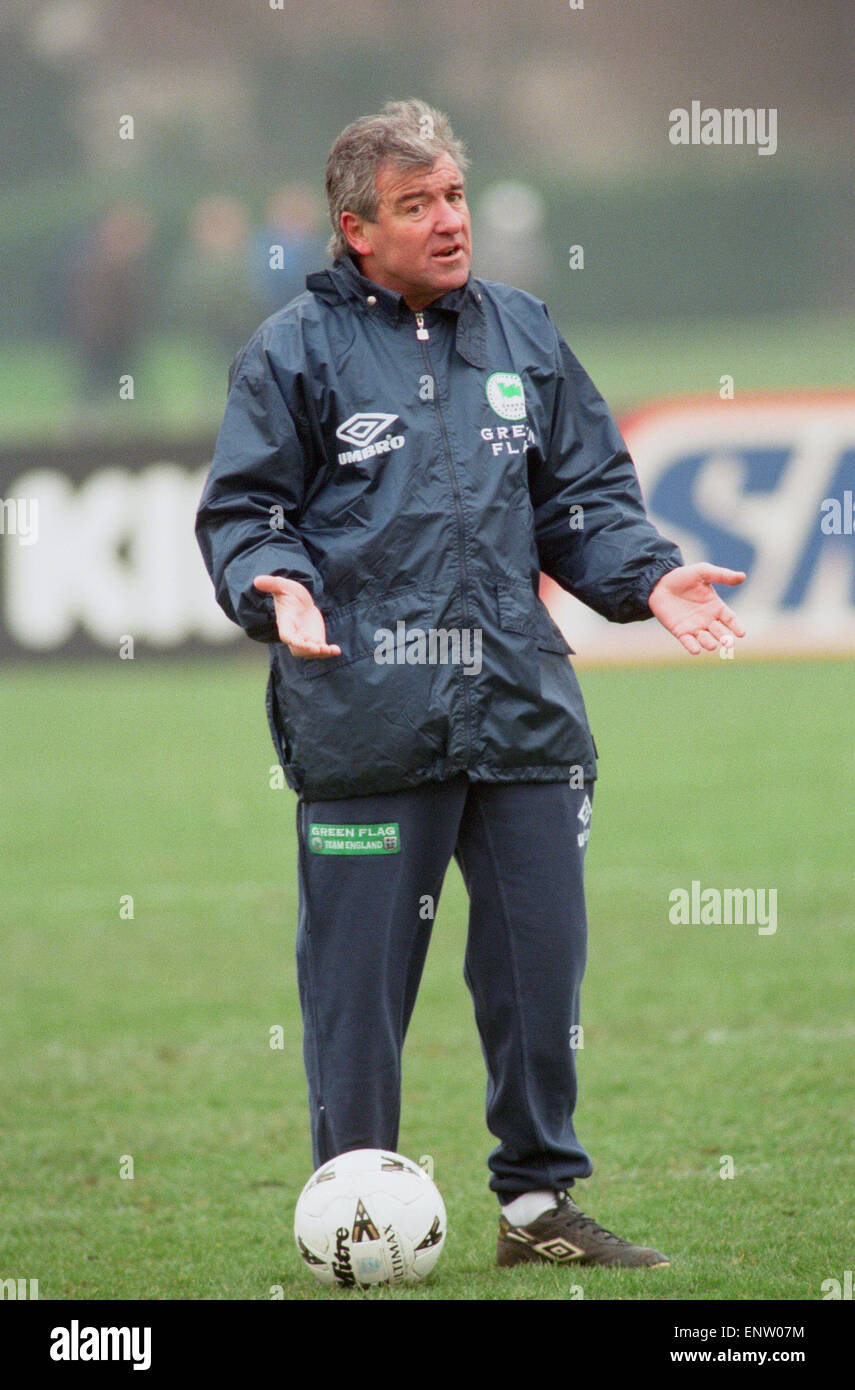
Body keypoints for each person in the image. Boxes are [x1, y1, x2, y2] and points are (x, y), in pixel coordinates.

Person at [195, 99, 745, 1274]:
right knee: (355, 999)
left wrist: (647, 578)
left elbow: (582, 499)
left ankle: (540, 1206)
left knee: (542, 974)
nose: (450, 223)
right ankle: (357, 1215)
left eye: (454, 197)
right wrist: (277, 589)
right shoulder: (292, 352)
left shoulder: (525, 333)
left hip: (523, 720)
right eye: (417, 206)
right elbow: (247, 514)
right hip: (366, 723)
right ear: (355, 229)